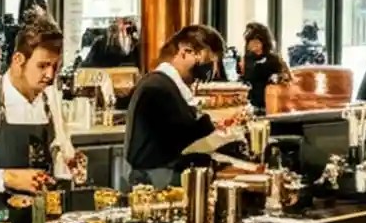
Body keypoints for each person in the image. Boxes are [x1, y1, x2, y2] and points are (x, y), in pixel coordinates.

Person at [0, 14, 83, 219]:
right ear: (18, 60)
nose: (50, 74)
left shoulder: (50, 97)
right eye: (43, 65)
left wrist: (69, 163)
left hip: (44, 221)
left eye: (55, 66)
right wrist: (9, 178)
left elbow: (57, 152)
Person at [124, 25, 225, 188]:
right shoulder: (157, 88)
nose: (206, 71)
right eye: (205, 62)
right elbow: (180, 137)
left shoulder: (167, 84)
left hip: (163, 175)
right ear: (184, 51)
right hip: (158, 181)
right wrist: (209, 125)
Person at [238, 22, 290, 113]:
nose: (253, 45)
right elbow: (243, 79)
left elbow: (286, 77)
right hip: (250, 106)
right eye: (250, 42)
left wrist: (277, 78)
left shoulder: (274, 59)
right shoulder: (246, 59)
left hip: (269, 105)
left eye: (257, 41)